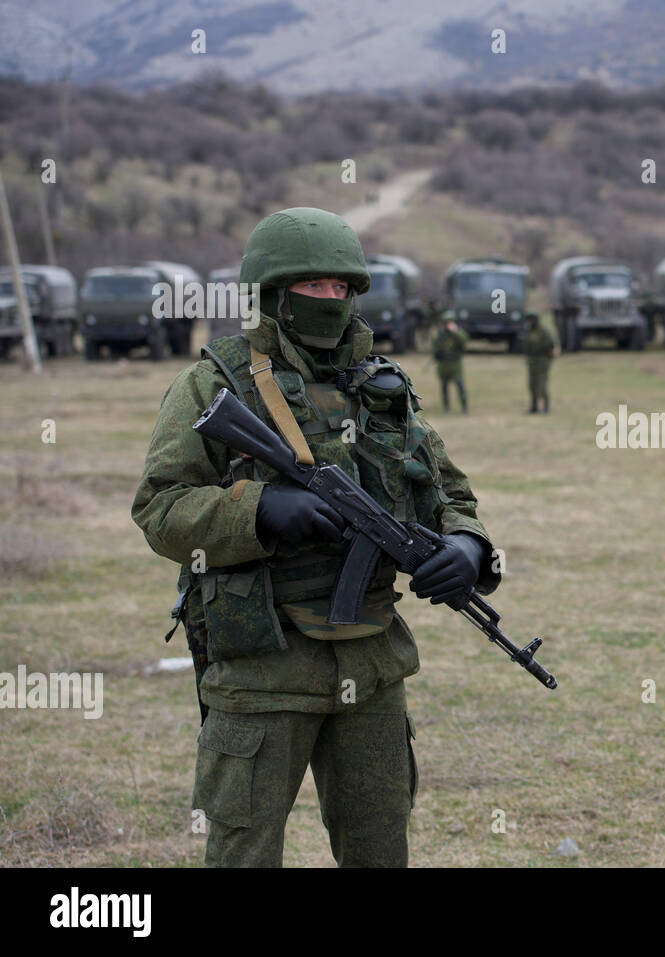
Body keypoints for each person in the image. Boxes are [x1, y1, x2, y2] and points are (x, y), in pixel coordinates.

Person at [132, 207, 499, 867]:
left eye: (342, 288)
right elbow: (161, 507)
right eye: (314, 286)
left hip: (371, 664)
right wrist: (260, 509)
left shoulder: (382, 389)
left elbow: (448, 492)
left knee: (379, 848)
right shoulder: (216, 383)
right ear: (272, 293)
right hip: (260, 666)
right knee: (244, 852)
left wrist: (466, 547)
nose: (332, 300)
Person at [432, 311, 470, 414]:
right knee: (444, 387)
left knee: (460, 385)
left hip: (455, 364)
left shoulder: (458, 333)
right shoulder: (440, 335)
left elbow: (464, 341)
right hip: (443, 365)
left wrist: (455, 331)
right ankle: (446, 408)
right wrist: (436, 354)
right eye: (446, 322)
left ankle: (464, 407)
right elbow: (434, 347)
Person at [521, 312, 556, 414]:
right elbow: (525, 346)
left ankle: (546, 407)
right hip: (532, 362)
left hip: (542, 361)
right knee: (532, 384)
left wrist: (538, 347)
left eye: (531, 319)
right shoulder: (528, 332)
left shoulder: (543, 332)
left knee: (542, 385)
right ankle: (534, 406)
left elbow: (550, 345)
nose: (530, 322)